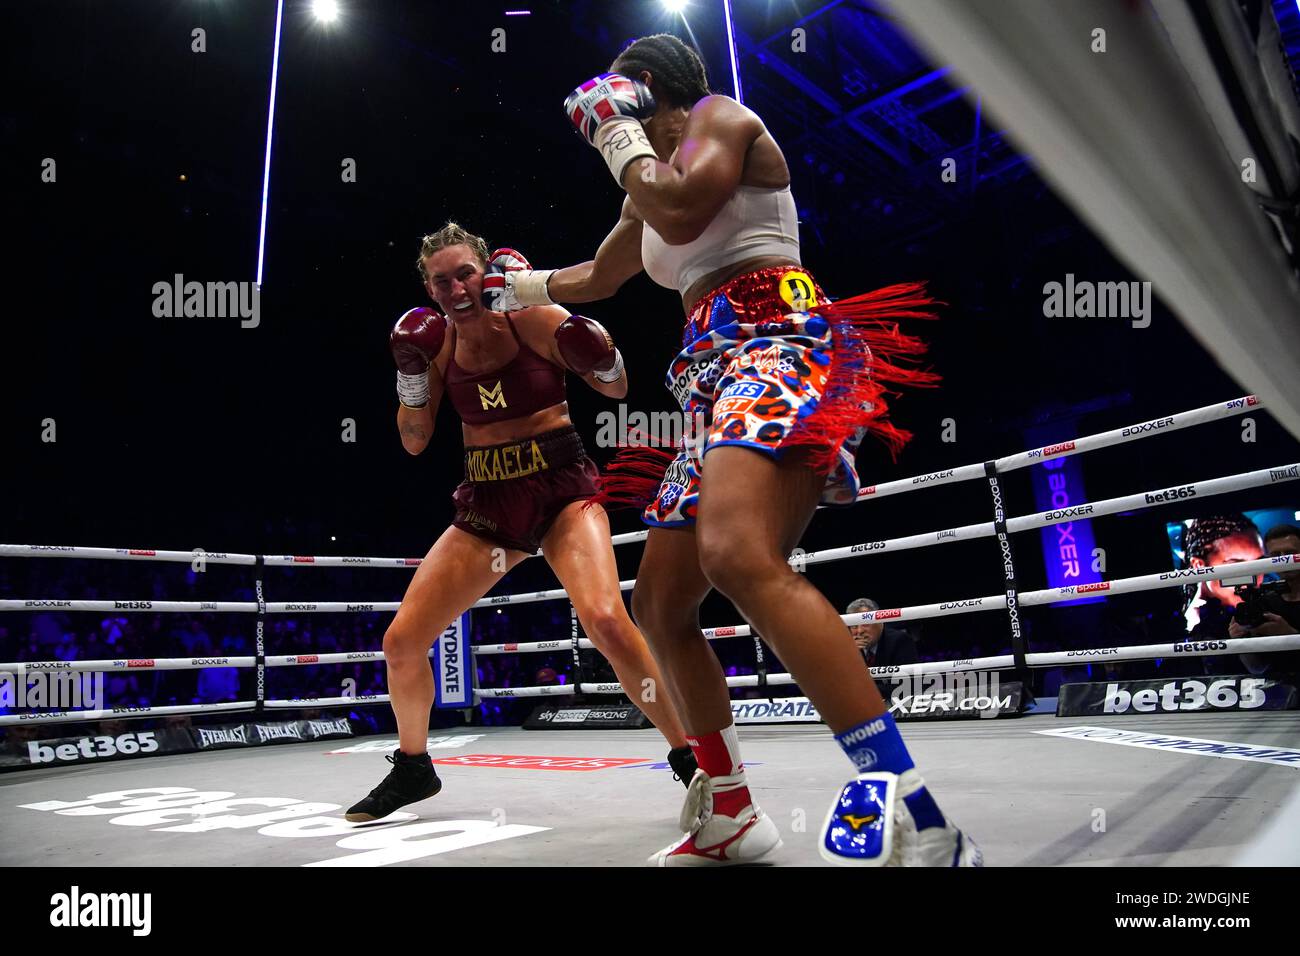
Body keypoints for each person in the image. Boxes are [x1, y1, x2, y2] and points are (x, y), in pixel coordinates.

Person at [487, 35, 978, 866]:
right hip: (715, 378)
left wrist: (616, 134)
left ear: (645, 91)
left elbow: (680, 210)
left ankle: (918, 813)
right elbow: (604, 276)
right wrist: (523, 286)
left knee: (740, 556)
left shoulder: (723, 120)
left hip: (780, 341)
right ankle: (732, 810)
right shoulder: (649, 181)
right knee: (662, 604)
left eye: (622, 99)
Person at [345, 222, 692, 823]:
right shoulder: (438, 346)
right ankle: (413, 768)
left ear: (486, 272)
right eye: (440, 280)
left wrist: (600, 352)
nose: (455, 288)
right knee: (401, 642)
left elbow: (616, 386)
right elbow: (414, 440)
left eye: (464, 274)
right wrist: (408, 371)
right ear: (428, 290)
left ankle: (689, 758)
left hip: (560, 489)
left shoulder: (529, 317)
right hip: (487, 501)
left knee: (607, 618)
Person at [1229, 523, 1300, 678]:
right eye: (1276, 556)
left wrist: (1291, 636)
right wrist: (1242, 642)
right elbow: (1257, 668)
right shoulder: (1265, 602)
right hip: (1281, 694)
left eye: (1289, 553)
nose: (1283, 560)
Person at [846, 598, 919, 669]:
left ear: (880, 622)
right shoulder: (847, 648)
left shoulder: (900, 641)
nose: (860, 631)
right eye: (854, 626)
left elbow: (906, 678)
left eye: (865, 623)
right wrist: (851, 654)